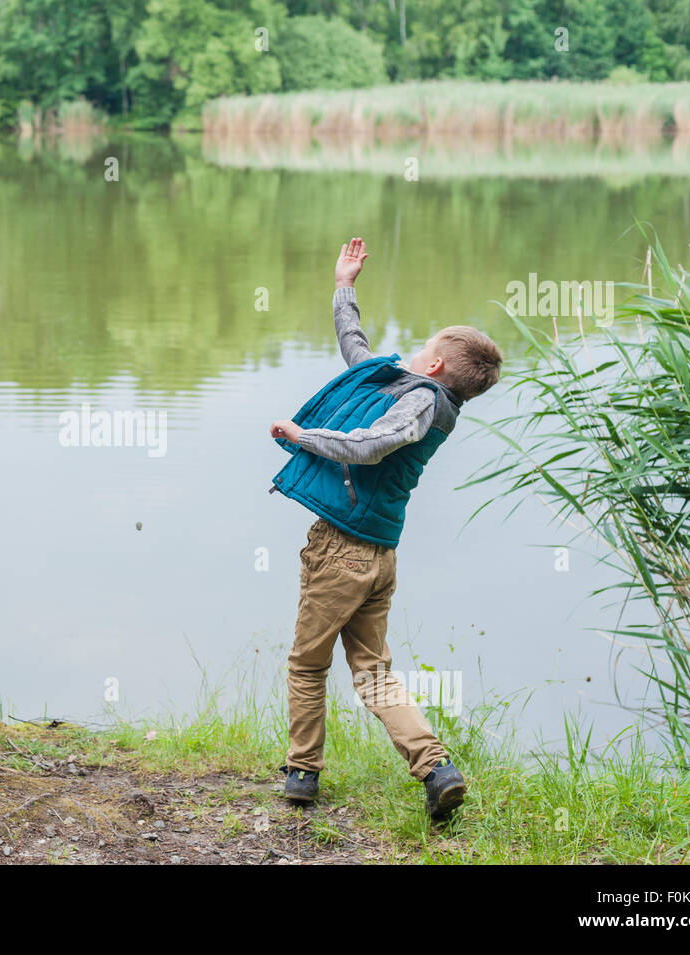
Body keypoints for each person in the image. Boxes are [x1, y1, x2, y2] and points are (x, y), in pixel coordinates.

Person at [269, 238, 503, 820]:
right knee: (371, 671)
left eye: (424, 348)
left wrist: (303, 438)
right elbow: (360, 356)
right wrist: (344, 287)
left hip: (342, 551)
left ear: (437, 366)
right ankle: (437, 770)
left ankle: (302, 773)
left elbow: (375, 445)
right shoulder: (415, 389)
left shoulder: (420, 404)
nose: (415, 352)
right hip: (378, 555)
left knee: (306, 664)